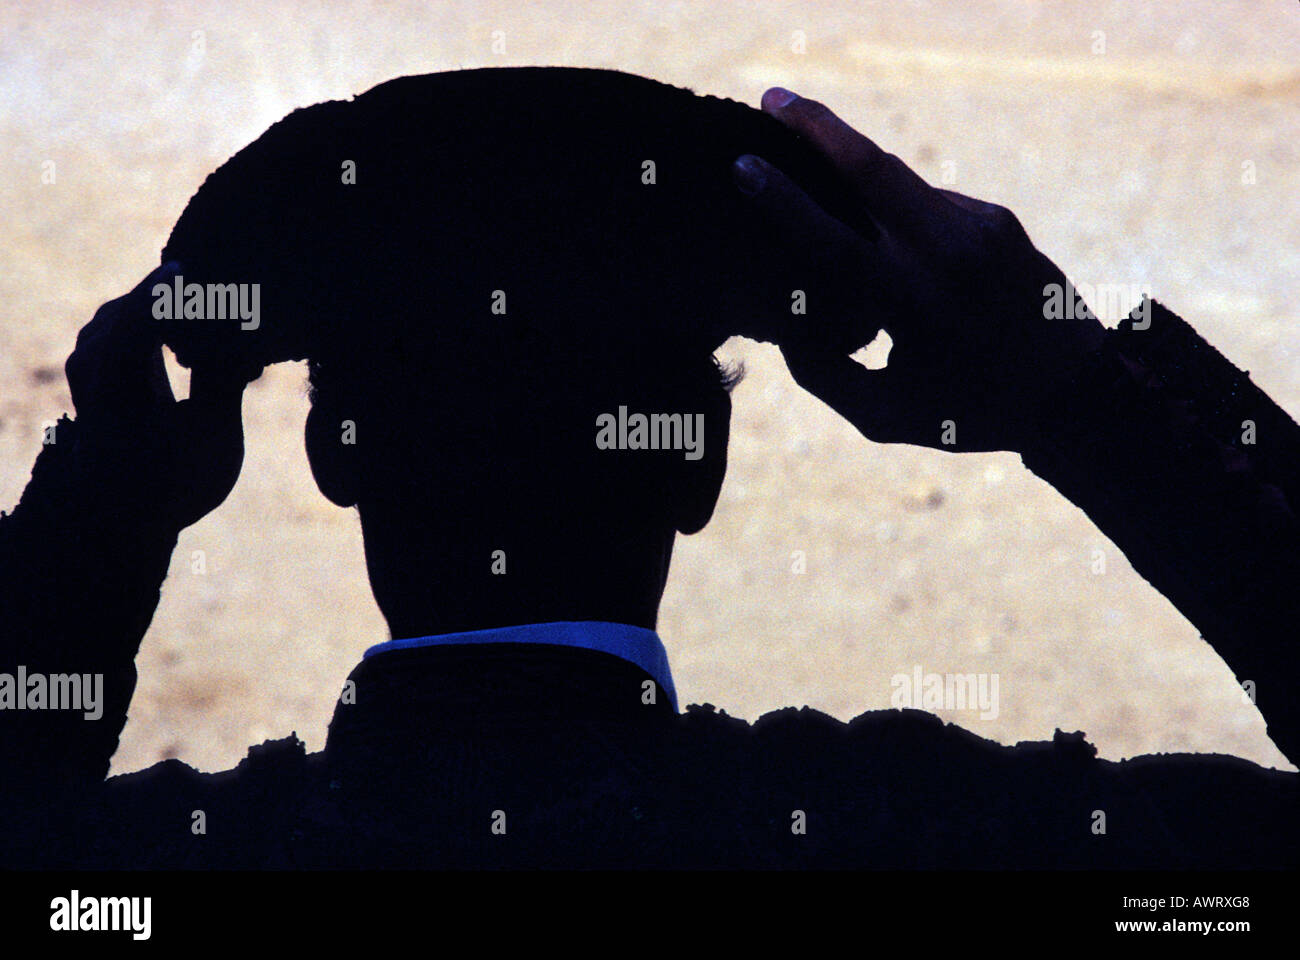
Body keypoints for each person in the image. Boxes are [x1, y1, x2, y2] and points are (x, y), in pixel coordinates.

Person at [1, 85, 1295, 868]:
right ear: (703, 465)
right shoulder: (941, 840)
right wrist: (1074, 388)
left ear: (331, 453)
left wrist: (100, 502)